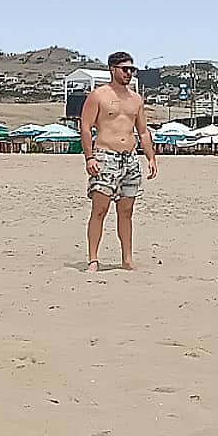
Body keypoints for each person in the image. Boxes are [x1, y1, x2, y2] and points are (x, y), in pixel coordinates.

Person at [79, 51, 157, 271]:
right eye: (125, 69)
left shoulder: (136, 99)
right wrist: (89, 157)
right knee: (100, 209)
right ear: (112, 69)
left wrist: (150, 157)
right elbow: (85, 126)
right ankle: (93, 259)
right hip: (106, 155)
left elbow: (143, 131)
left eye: (132, 70)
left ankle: (127, 259)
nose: (129, 73)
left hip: (130, 159)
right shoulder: (98, 95)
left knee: (126, 211)